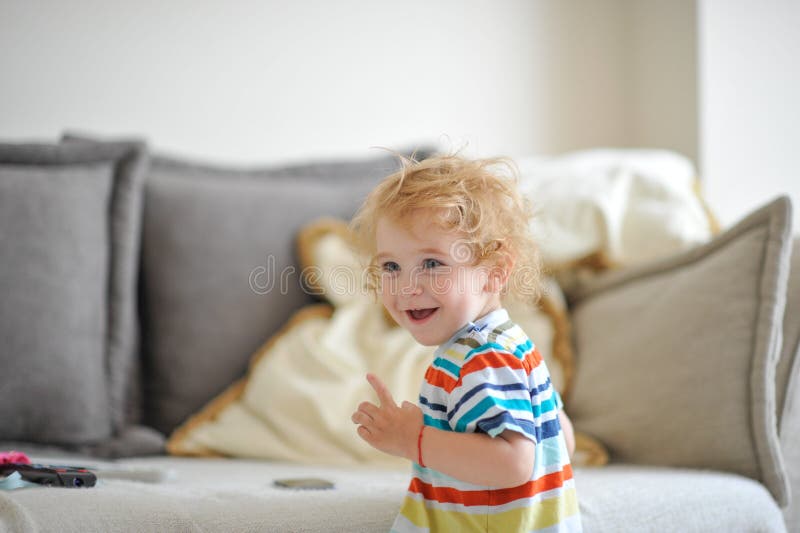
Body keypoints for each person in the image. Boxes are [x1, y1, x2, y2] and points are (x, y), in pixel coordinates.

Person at [349, 153, 582, 532]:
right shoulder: (512, 345)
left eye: (432, 263)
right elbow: (562, 443)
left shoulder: (479, 359)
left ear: (494, 272)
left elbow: (515, 464)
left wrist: (415, 439)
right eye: (391, 266)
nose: (408, 286)